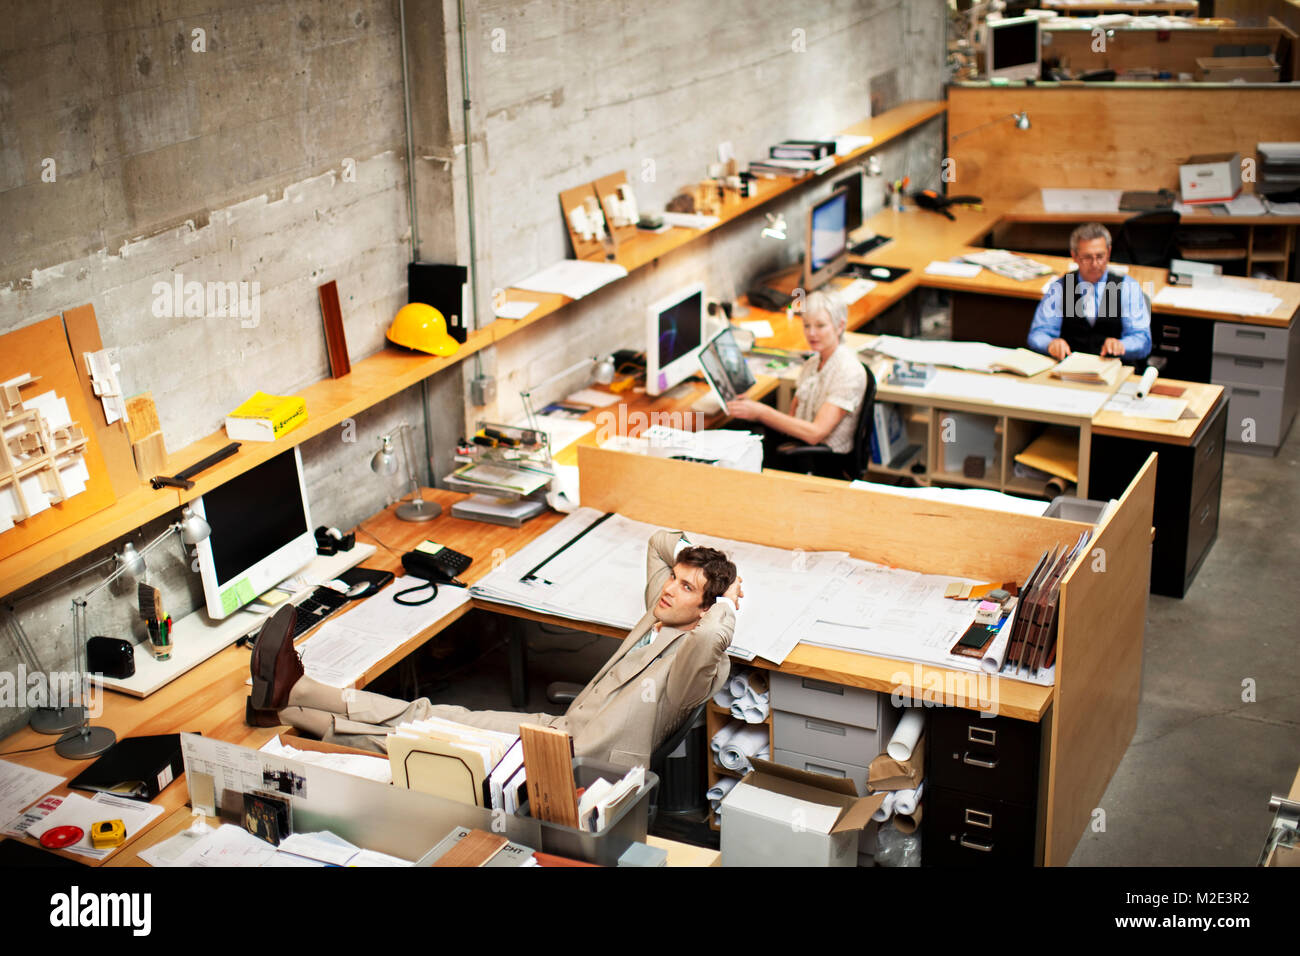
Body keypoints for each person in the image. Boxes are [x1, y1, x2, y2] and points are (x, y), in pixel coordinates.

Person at [246, 530, 742, 768]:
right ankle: (296, 698)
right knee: (432, 713)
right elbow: (658, 542)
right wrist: (694, 564)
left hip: (576, 761)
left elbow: (714, 634)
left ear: (705, 608)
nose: (670, 589)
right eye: (673, 580)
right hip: (557, 730)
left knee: (430, 745)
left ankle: (298, 705)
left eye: (686, 589)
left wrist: (729, 592)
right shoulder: (658, 612)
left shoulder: (694, 662)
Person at [725, 290, 867, 461]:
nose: (812, 333)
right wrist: (751, 408)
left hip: (823, 459)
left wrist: (761, 412)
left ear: (840, 326)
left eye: (820, 326)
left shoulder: (848, 371)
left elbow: (815, 433)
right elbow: (791, 419)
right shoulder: (811, 364)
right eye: (807, 325)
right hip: (798, 443)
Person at [1028, 222, 1152, 362]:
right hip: (1070, 367)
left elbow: (1142, 340)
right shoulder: (1061, 288)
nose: (1094, 264)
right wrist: (1050, 344)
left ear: (1109, 253)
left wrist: (1122, 345)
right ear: (1074, 256)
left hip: (1113, 368)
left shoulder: (1127, 288)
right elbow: (1038, 334)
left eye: (1100, 256)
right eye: (1087, 257)